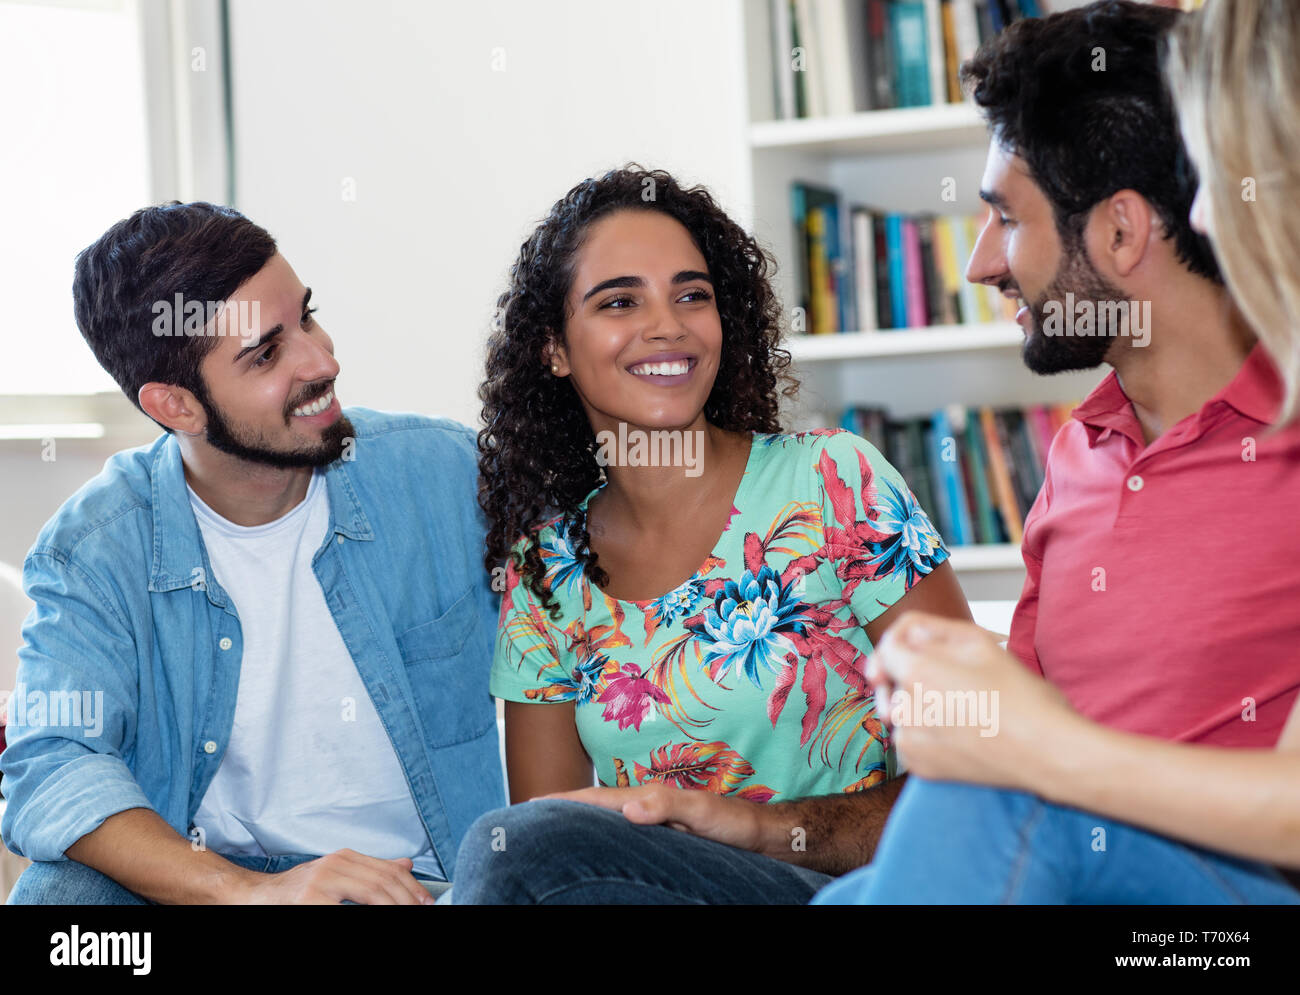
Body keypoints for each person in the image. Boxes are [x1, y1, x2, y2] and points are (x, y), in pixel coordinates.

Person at [815, 0, 1300, 905]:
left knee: (997, 811)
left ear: (1120, 234)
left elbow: (1029, 762)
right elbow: (1011, 726)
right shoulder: (1078, 453)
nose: (979, 266)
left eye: (1005, 216)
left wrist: (1036, 749)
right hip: (1073, 871)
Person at [454, 166, 972, 904]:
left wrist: (748, 825)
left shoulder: (833, 482)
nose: (667, 324)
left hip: (865, 890)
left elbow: (977, 768)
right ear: (554, 349)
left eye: (692, 294)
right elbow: (551, 848)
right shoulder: (546, 572)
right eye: (620, 300)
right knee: (514, 846)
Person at [1, 203, 504, 904]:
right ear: (176, 406)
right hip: (216, 886)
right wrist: (248, 892)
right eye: (268, 353)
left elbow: (608, 574)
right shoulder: (96, 548)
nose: (322, 360)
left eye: (308, 316)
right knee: (59, 903)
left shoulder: (441, 475)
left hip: (418, 888)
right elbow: (50, 761)